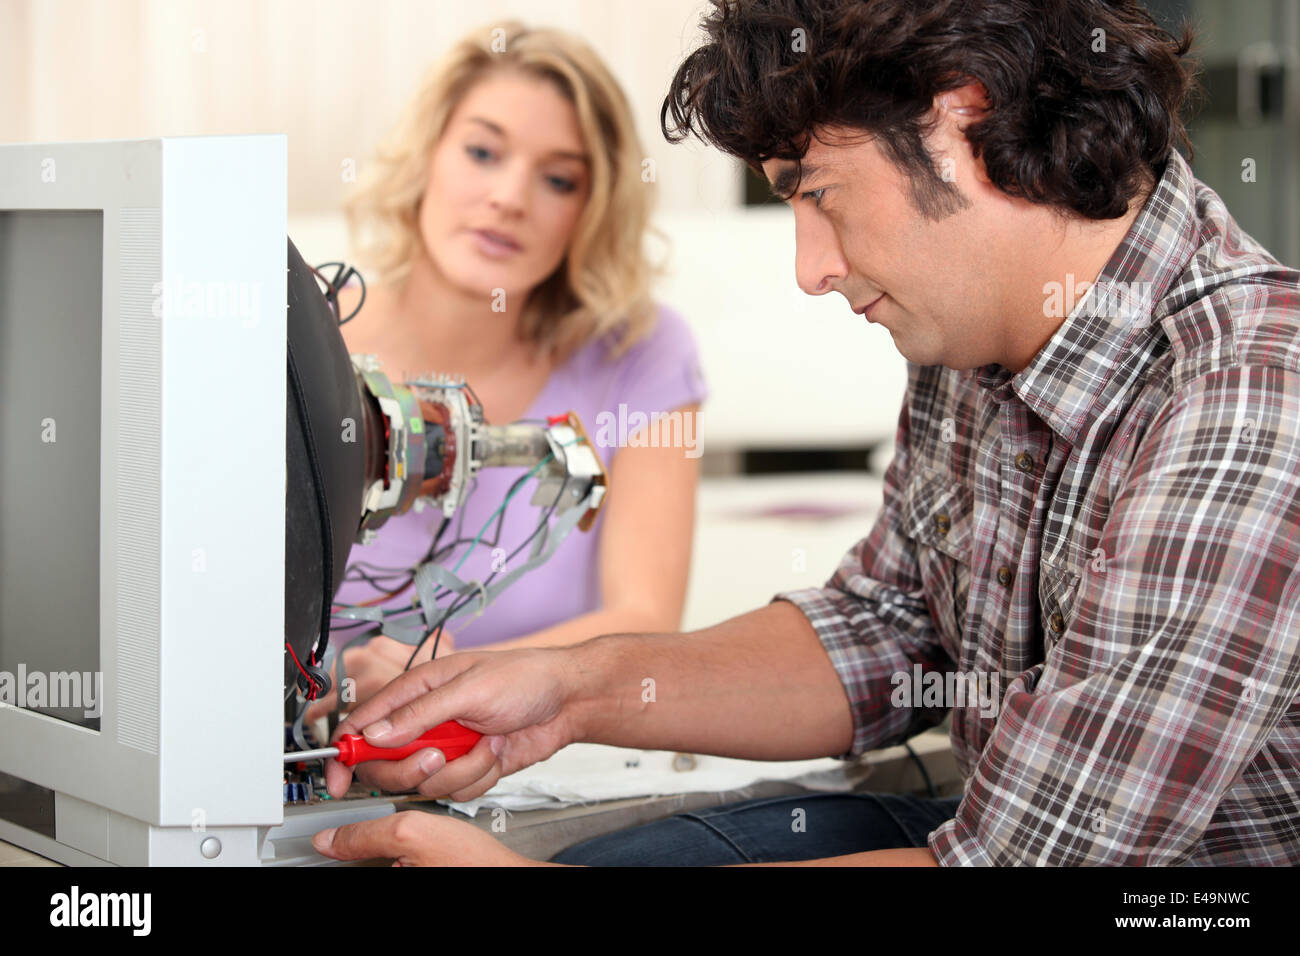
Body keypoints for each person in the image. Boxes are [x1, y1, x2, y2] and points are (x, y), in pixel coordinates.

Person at [310, 0, 1300, 866]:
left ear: (962, 115)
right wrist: (563, 691)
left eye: (814, 192)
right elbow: (885, 628)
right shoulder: (970, 329)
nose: (810, 270)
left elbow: (1025, 861)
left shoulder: (1254, 394)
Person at [309, 22, 707, 721]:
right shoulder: (306, 343)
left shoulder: (641, 354)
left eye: (558, 178)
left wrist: (454, 678)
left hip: (535, 763)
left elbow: (646, 619)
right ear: (428, 156)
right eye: (483, 151)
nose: (510, 198)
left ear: (592, 208)